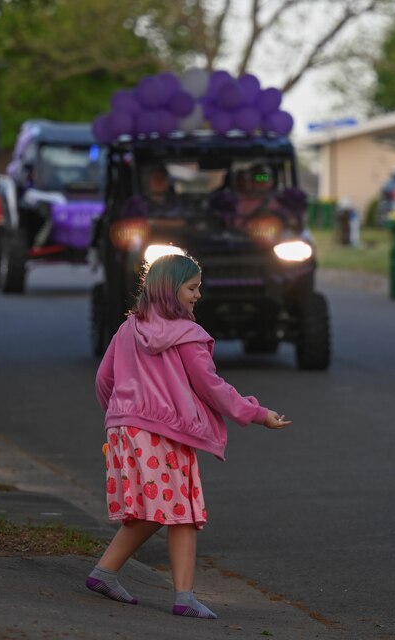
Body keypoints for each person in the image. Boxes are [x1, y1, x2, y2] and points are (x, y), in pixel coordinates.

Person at [87, 253, 291, 619]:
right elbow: (212, 388)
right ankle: (139, 582)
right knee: (173, 509)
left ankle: (158, 587)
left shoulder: (128, 329)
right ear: (170, 290)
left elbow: (104, 379)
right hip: (164, 432)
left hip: (123, 427)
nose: (199, 295)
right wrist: (258, 414)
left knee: (173, 510)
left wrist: (118, 415)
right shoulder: (188, 336)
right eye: (192, 287)